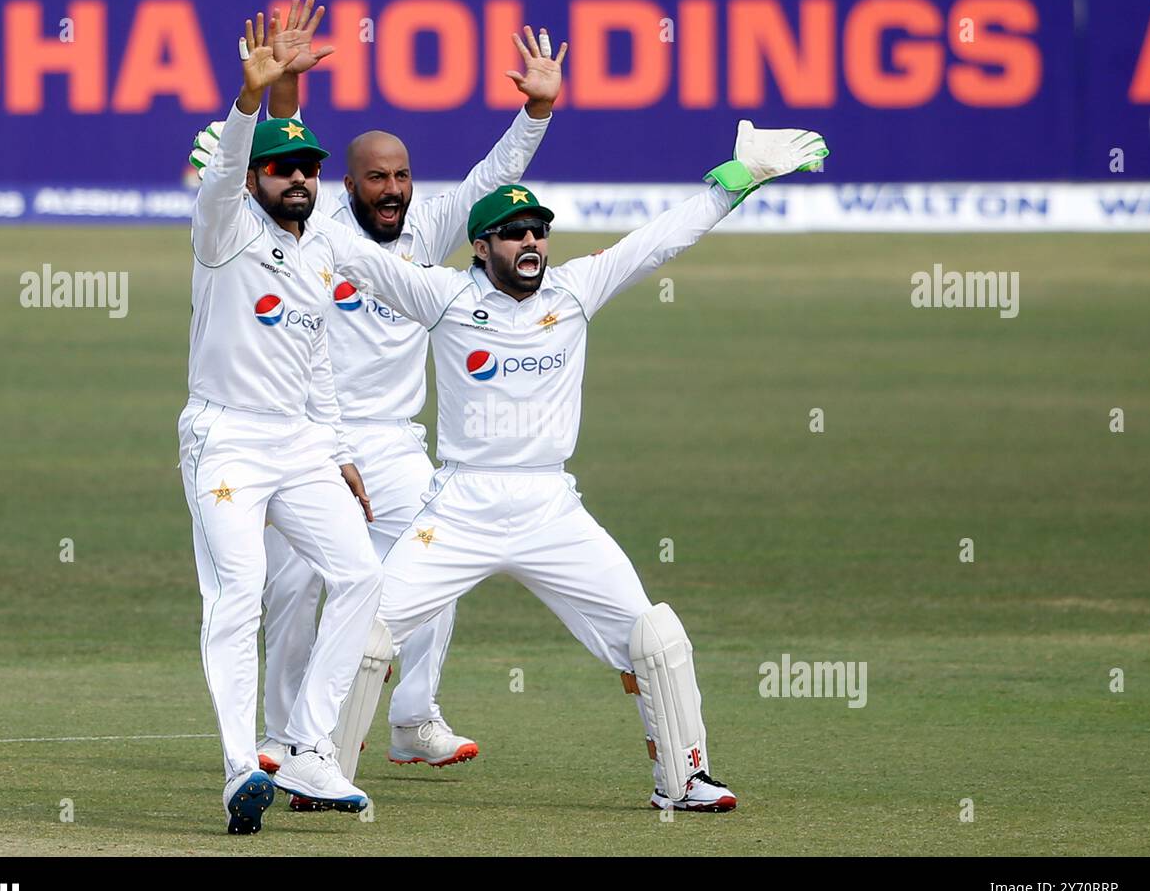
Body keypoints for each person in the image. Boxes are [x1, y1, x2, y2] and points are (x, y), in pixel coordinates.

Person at [312, 120, 829, 811]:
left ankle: (683, 780)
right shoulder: (443, 297)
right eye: (514, 233)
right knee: (368, 633)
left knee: (653, 636)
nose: (531, 243)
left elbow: (658, 241)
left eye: (538, 232)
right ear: (482, 245)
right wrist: (243, 179)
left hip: (552, 508)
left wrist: (735, 181)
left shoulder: (575, 290)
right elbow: (343, 250)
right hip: (462, 505)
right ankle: (321, 774)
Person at [190, 17, 567, 782]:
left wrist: (536, 112)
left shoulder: (426, 228)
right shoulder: (316, 231)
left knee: (439, 562)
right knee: (292, 587)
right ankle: (281, 734)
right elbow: (280, 146)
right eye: (375, 178)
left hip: (393, 441)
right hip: (305, 435)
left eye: (400, 177)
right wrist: (281, 85)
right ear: (348, 184)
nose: (391, 190)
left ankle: (411, 717)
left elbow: (492, 181)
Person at [179, 1, 380, 834]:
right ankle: (239, 768)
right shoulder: (224, 231)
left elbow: (319, 358)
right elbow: (227, 171)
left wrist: (335, 450)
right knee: (241, 594)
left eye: (308, 169)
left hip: (299, 441)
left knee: (363, 575)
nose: (297, 178)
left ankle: (305, 746)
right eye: (281, 169)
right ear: (257, 182)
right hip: (225, 436)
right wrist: (249, 101)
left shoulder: (321, 246)